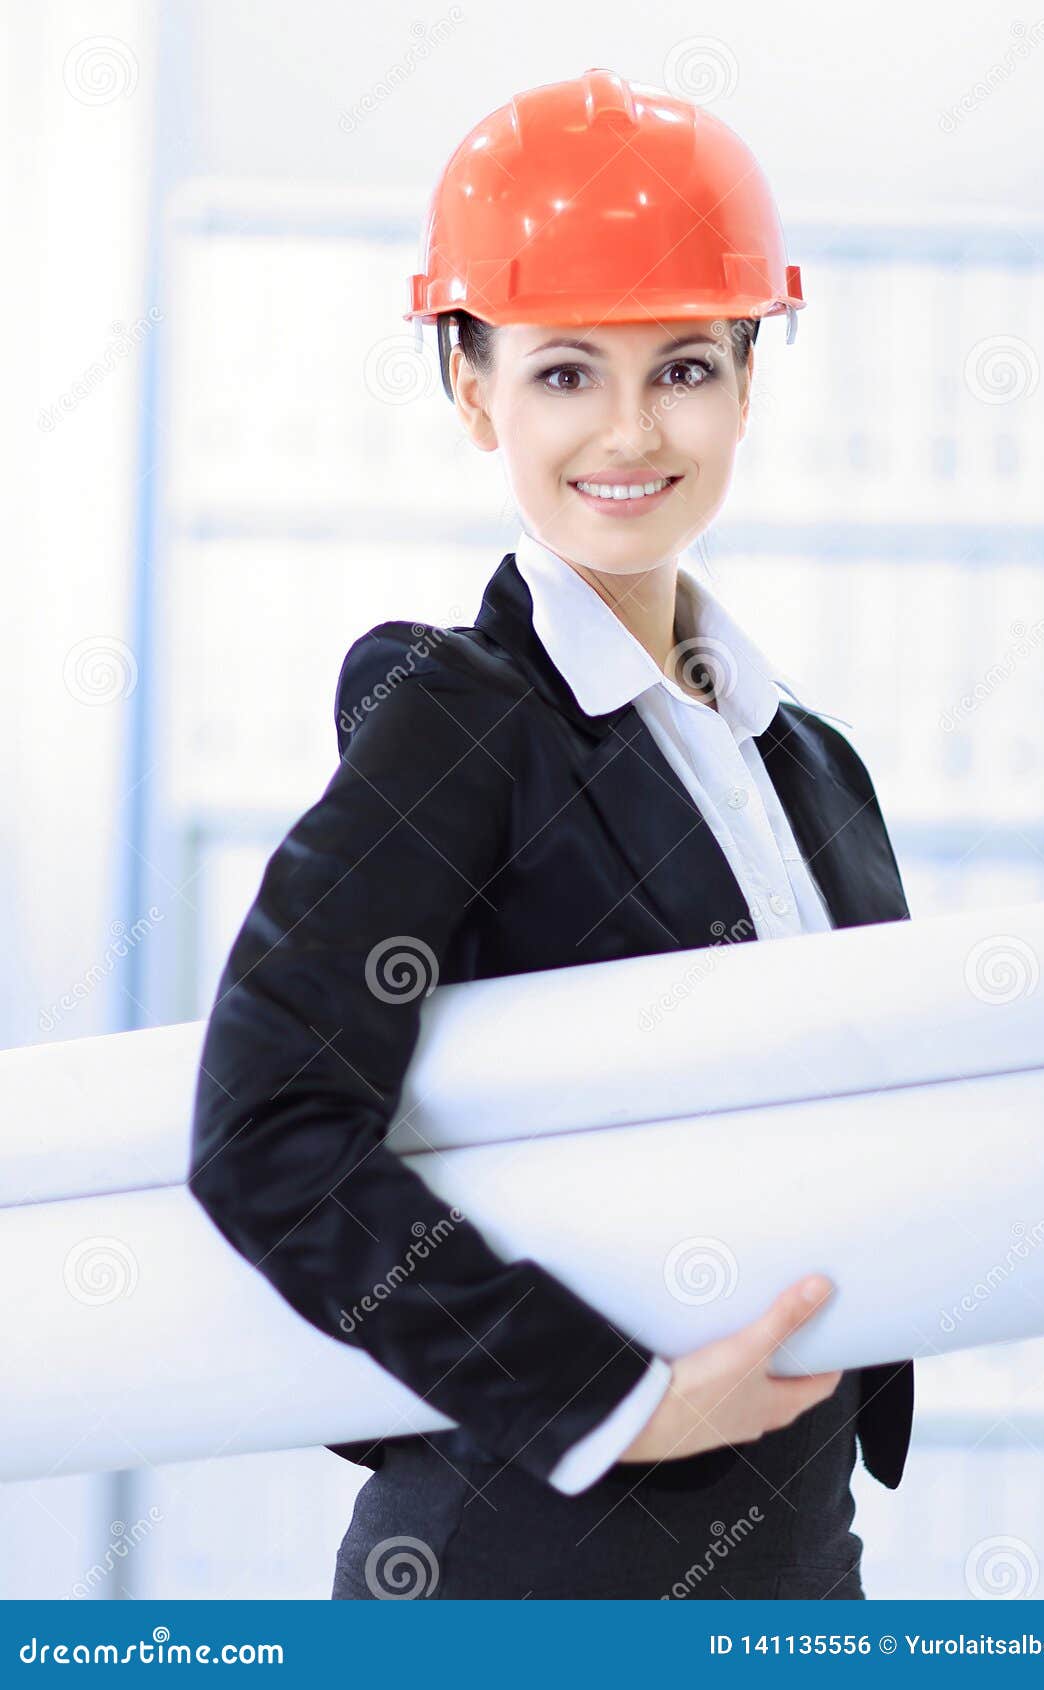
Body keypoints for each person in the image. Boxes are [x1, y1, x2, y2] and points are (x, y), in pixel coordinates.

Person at [187, 67, 914, 1601]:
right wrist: (623, 1406)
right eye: (568, 371)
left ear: (749, 381)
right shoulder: (458, 718)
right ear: (474, 390)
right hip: (528, 1558)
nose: (634, 430)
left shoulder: (809, 763)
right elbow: (267, 1129)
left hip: (793, 1545)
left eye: (689, 367)